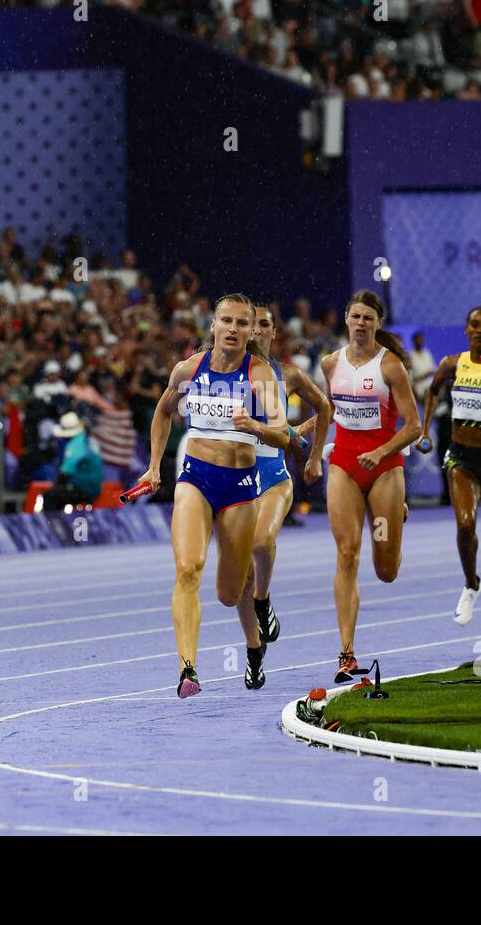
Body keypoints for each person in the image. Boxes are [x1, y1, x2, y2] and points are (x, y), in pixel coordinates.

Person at [135, 293, 288, 697]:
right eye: (227, 321)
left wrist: (254, 427)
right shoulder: (189, 369)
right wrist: (154, 466)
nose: (234, 329)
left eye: (242, 323)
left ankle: (254, 645)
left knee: (228, 592)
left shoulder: (260, 376)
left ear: (251, 330)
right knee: (188, 567)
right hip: (194, 479)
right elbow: (163, 412)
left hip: (239, 488)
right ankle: (188, 669)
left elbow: (284, 434)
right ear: (214, 325)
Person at [321, 290, 421, 682]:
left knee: (386, 571)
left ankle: (394, 512)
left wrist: (381, 453)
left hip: (383, 469)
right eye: (355, 316)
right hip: (344, 464)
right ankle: (345, 653)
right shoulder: (331, 363)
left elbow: (414, 427)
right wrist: (310, 436)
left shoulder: (392, 366)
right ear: (346, 319)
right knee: (347, 554)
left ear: (378, 323)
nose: (361, 323)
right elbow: (331, 409)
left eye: (368, 318)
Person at [417, 306, 481, 652]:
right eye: (474, 325)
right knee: (464, 524)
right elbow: (431, 391)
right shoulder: (451, 364)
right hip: (461, 458)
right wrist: (424, 428)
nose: (480, 330)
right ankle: (471, 584)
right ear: (466, 329)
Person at [235, 303, 330, 648]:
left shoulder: (287, 374)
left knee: (262, 544)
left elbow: (324, 406)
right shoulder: (226, 372)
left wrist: (315, 456)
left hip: (274, 474)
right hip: (235, 479)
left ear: (274, 333)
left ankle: (263, 600)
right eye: (251, 324)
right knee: (238, 577)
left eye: (263, 325)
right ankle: (253, 648)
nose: (256, 330)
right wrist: (292, 431)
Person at [42, 411, 104, 510]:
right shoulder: (87, 439)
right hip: (94, 487)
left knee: (49, 496)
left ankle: (55, 525)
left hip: (84, 488)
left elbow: (66, 471)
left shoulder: (76, 444)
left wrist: (55, 486)